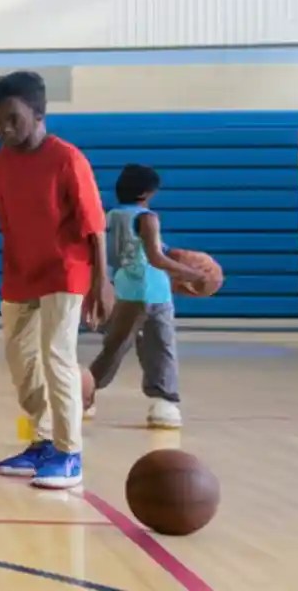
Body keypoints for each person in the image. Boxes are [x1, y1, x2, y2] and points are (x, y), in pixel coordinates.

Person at [0, 71, 112, 490]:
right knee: (20, 360)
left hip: (65, 269)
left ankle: (69, 453)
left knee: (56, 354)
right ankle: (42, 441)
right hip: (21, 272)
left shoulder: (67, 159)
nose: (4, 129)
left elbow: (94, 225)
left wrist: (101, 281)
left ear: (38, 113)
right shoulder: (3, 161)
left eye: (13, 119)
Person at [85, 164, 205, 429]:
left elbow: (126, 253)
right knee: (161, 347)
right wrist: (192, 273)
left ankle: (84, 394)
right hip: (154, 292)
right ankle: (164, 402)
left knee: (114, 348)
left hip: (125, 290)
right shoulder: (148, 218)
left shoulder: (111, 217)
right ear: (146, 193)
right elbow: (155, 258)